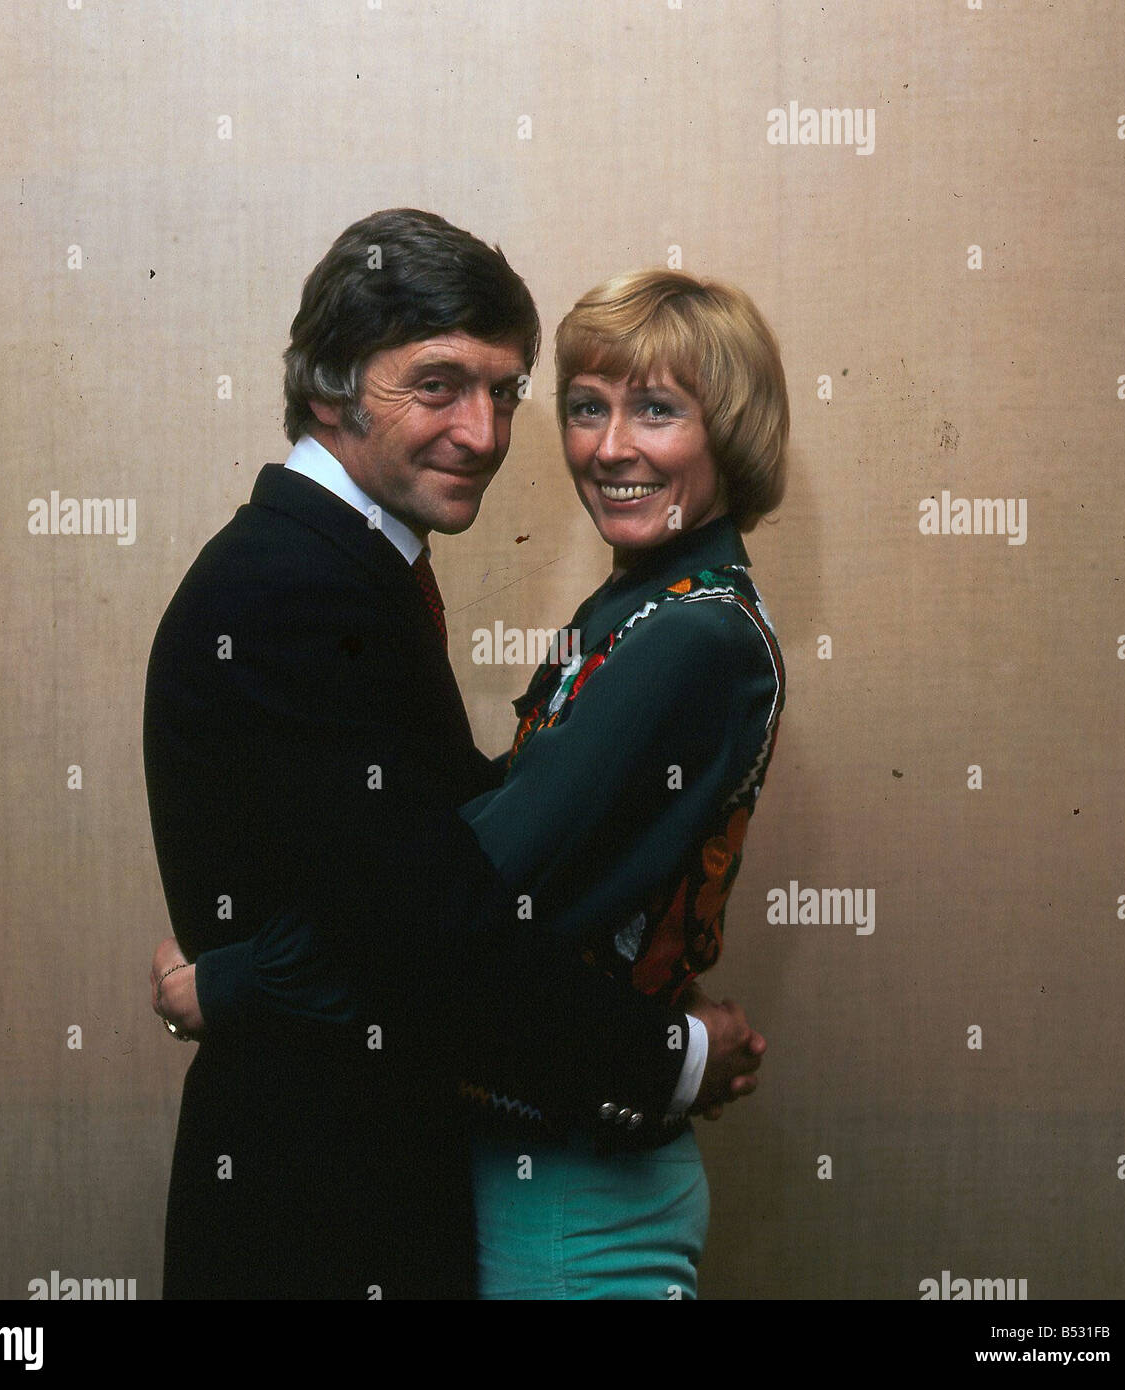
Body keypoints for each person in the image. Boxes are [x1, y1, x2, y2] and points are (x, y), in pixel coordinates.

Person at [143, 210, 764, 1300]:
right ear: (332, 386)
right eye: (436, 384)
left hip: (382, 1183)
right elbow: (435, 926)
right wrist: (671, 1057)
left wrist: (239, 980)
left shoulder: (352, 570)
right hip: (316, 1210)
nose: (482, 432)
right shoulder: (294, 588)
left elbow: (440, 871)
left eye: (506, 389)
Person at [458, 268, 789, 1298]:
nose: (609, 448)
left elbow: (480, 880)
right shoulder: (643, 602)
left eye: (655, 410)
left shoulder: (689, 631)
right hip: (560, 1154)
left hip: (577, 1190)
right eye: (587, 408)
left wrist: (248, 979)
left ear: (726, 430)